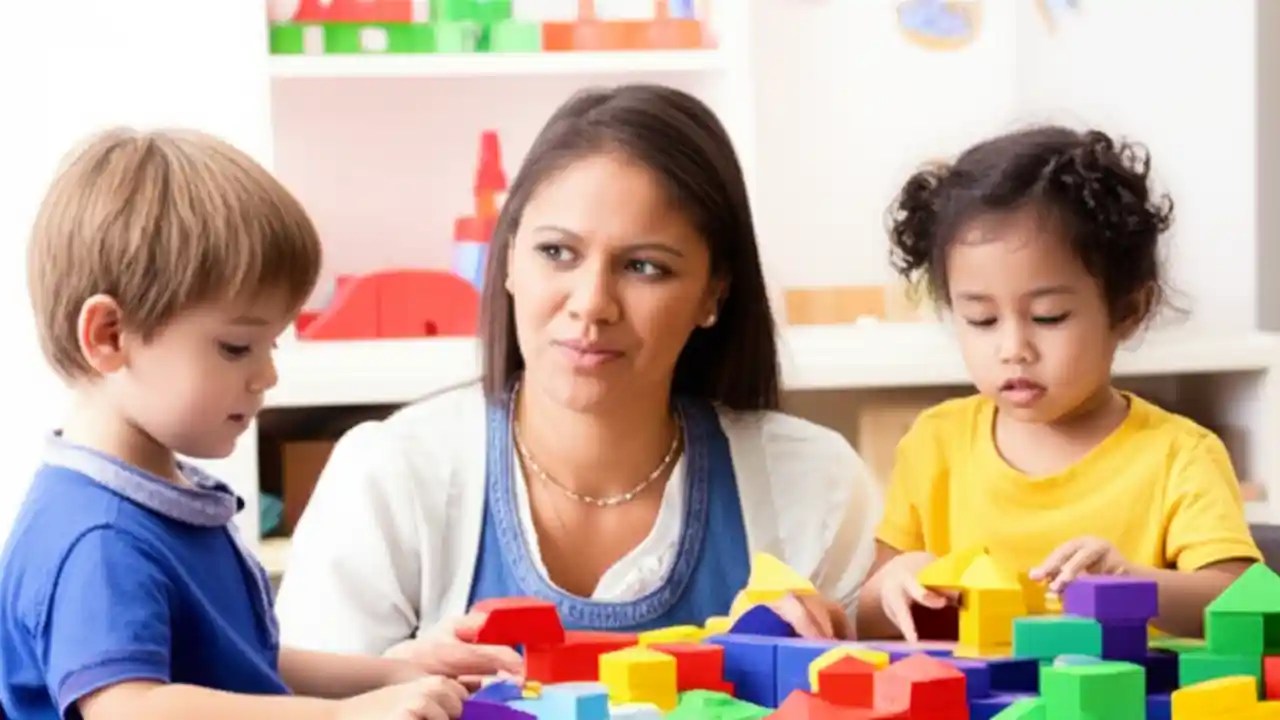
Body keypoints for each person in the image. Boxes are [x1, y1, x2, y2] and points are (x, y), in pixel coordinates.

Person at [275, 84, 882, 664]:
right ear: (507, 260)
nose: (592, 303)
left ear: (713, 294)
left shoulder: (812, 488)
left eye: (645, 267)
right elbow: (305, 708)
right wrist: (391, 684)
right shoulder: (391, 477)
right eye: (557, 252)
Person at [0, 128, 470, 720]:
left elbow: (246, 663)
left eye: (271, 345)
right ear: (109, 336)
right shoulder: (100, 536)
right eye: (235, 347)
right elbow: (130, 708)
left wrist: (396, 674)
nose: (267, 375)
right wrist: (343, 716)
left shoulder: (167, 498)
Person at [858, 125, 1263, 642]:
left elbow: (1243, 604)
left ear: (1128, 310)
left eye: (1048, 317)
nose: (1013, 348)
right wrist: (896, 580)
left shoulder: (1179, 456)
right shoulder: (935, 444)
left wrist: (1131, 583)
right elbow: (865, 619)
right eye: (981, 320)